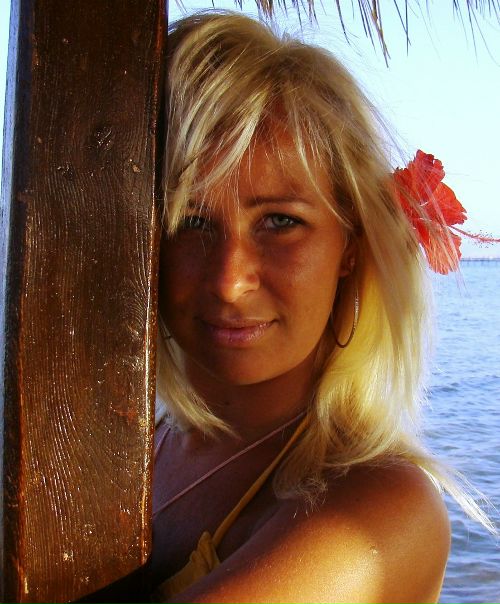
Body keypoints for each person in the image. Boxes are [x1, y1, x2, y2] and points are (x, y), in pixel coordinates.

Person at [150, 10, 491, 604]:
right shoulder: (147, 439)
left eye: (280, 222)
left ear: (349, 248)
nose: (229, 282)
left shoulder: (376, 509)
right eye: (191, 222)